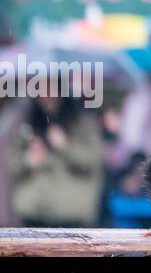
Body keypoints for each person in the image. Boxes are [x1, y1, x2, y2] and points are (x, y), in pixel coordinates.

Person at [7, 96, 104, 228]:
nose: (44, 95)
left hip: (71, 211)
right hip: (33, 210)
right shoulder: (25, 120)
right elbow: (12, 163)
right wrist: (29, 160)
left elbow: (94, 160)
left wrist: (66, 146)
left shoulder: (82, 121)